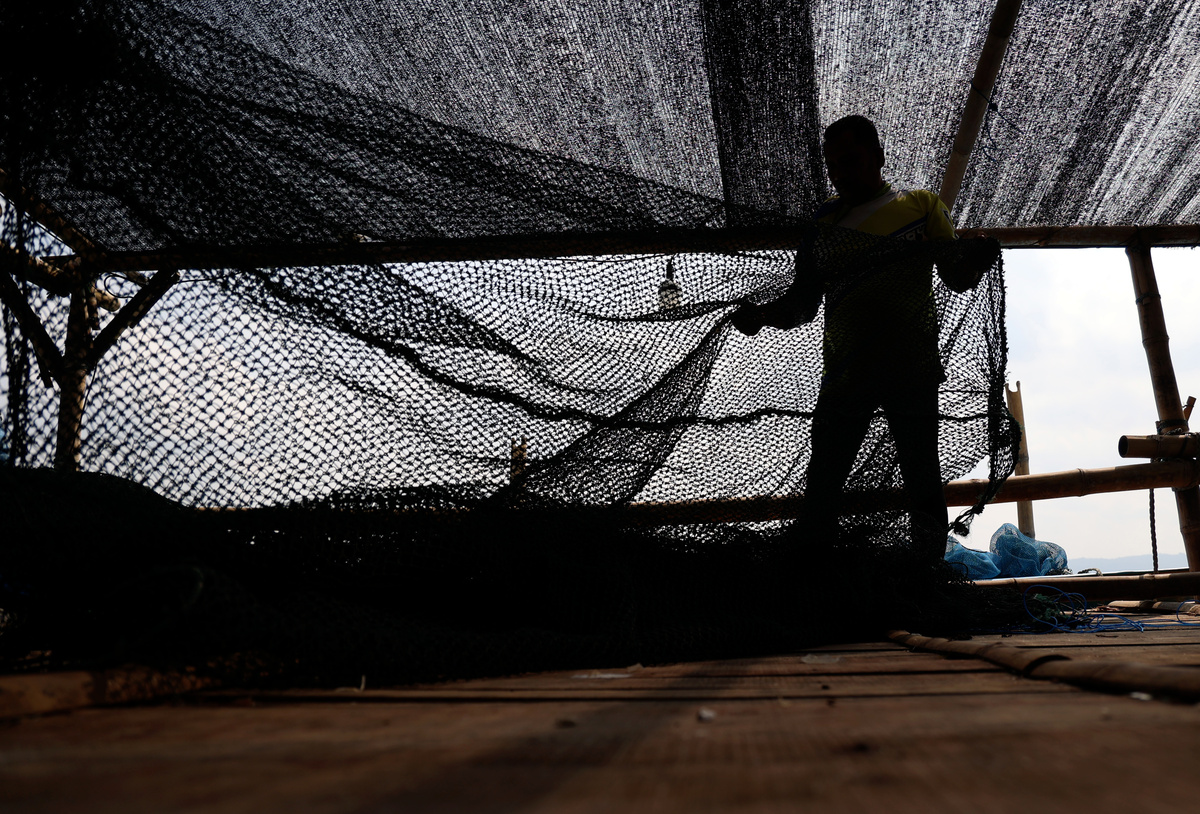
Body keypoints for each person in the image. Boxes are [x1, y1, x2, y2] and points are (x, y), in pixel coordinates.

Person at [732, 115, 996, 559]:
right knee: (824, 483)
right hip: (844, 374)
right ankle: (811, 579)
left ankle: (929, 578)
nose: (839, 171)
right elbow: (803, 303)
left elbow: (956, 277)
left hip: (911, 371)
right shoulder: (822, 226)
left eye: (849, 159)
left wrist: (978, 258)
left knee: (923, 481)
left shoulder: (922, 205)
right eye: (831, 164)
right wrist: (763, 315)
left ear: (877, 157)